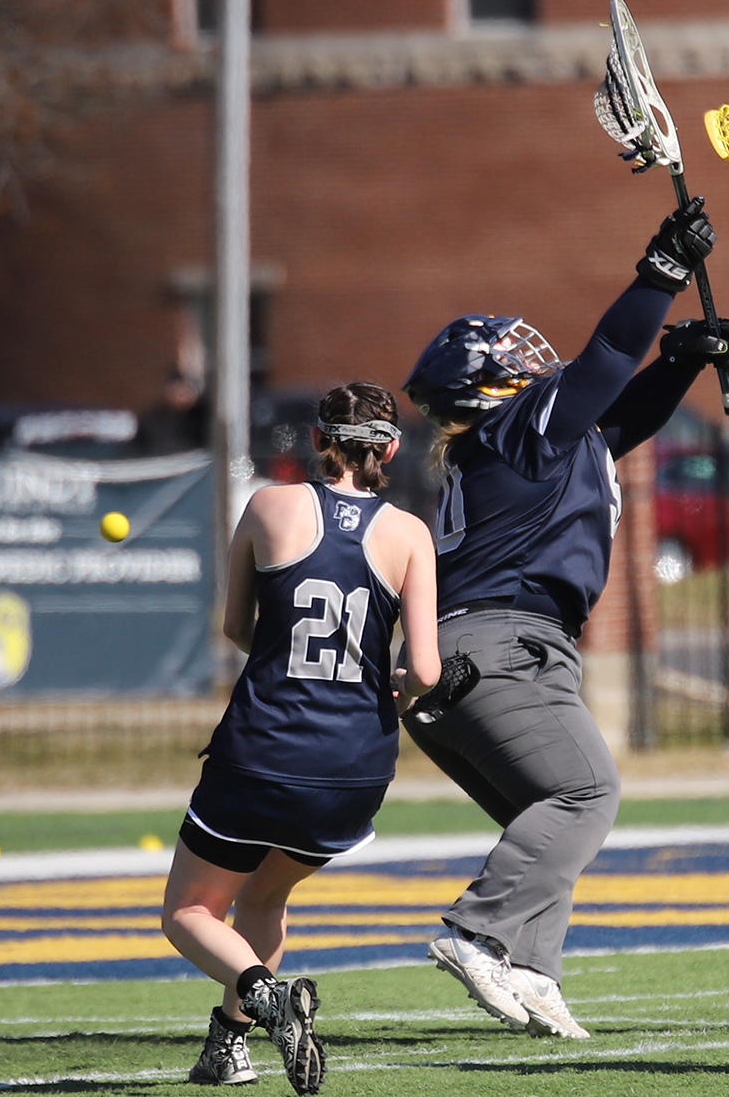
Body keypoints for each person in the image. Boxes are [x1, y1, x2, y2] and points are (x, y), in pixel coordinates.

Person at [400, 198, 729, 1039]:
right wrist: (661, 269)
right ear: (484, 387)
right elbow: (612, 352)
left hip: (476, 653)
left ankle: (530, 967)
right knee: (586, 790)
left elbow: (619, 419)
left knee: (553, 813)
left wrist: (684, 364)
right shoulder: (517, 430)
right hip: (500, 645)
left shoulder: (533, 441)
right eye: (511, 358)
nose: (533, 361)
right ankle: (480, 933)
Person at [160, 382, 440, 1093]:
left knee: (189, 911)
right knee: (262, 900)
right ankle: (228, 1047)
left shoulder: (268, 505)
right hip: (355, 767)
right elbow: (427, 670)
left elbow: (235, 627)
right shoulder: (410, 533)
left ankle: (267, 990)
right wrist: (398, 681)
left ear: (319, 439)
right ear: (391, 448)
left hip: (264, 749)